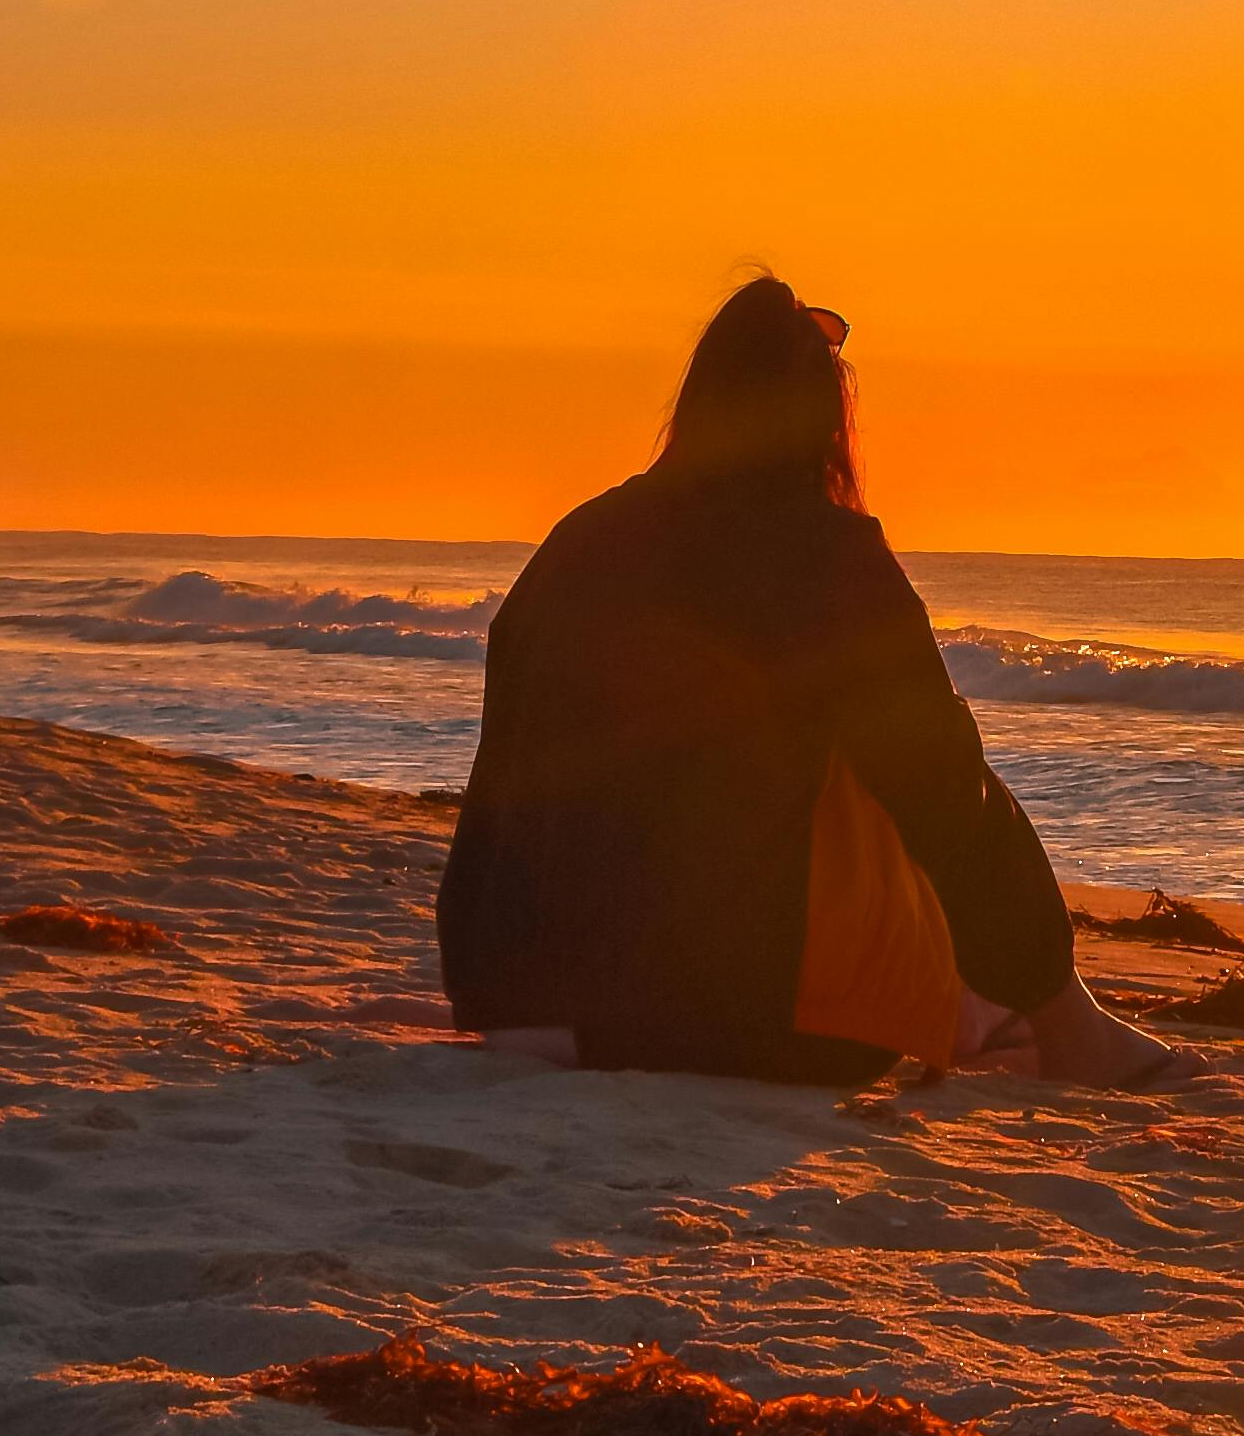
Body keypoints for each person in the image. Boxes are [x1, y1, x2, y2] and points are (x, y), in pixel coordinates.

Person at [439, 277, 1184, 1094]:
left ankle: (990, 1011)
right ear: (824, 419)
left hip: (513, 1004)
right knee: (921, 763)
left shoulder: (578, 540)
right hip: (717, 1022)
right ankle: (1061, 1021)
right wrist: (1038, 965)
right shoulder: (822, 554)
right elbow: (945, 789)